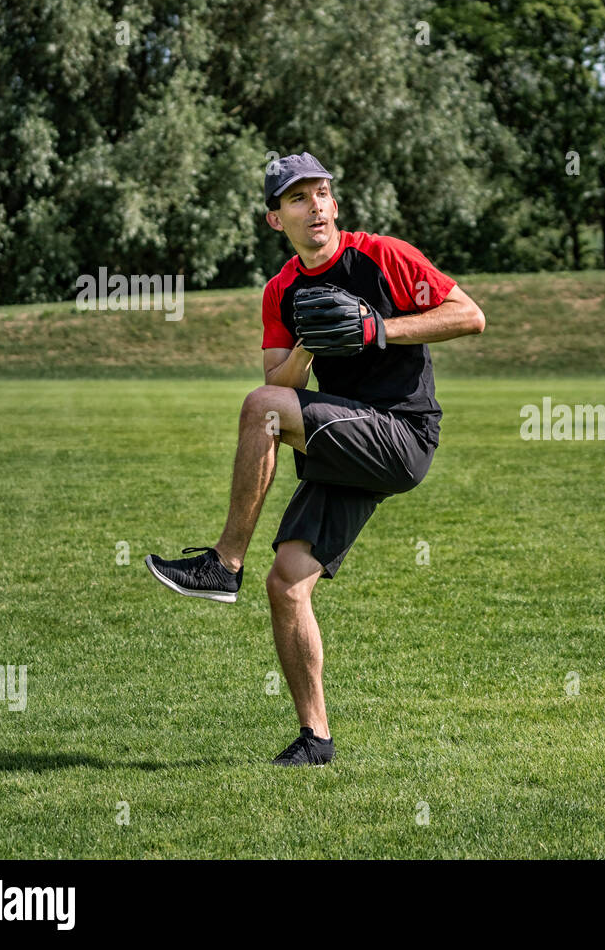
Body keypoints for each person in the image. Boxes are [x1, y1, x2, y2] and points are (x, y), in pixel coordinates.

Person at [145, 152, 484, 766]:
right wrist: (310, 341)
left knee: (260, 408)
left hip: (402, 433)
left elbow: (470, 316)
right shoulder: (281, 290)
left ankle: (224, 563)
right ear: (277, 220)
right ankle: (316, 739)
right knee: (287, 582)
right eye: (298, 198)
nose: (316, 206)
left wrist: (376, 329)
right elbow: (282, 377)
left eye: (322, 192)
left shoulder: (384, 255)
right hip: (349, 436)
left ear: (335, 203)